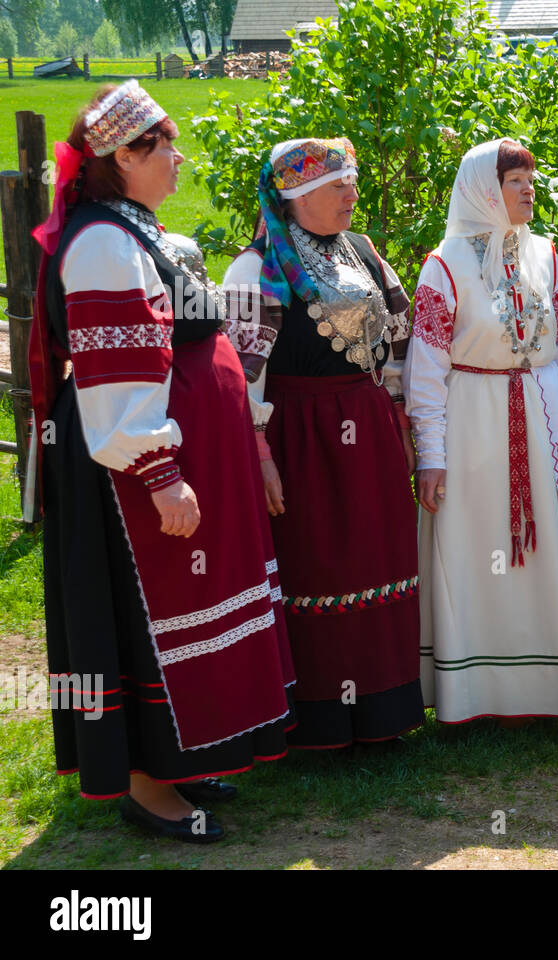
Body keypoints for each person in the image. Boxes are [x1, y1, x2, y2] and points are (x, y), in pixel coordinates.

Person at [27, 81, 295, 842]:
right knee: (138, 615)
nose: (179, 159)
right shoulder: (106, 245)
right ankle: (146, 785)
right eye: (165, 147)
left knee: (173, 612)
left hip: (161, 457)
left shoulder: (129, 228)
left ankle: (179, 757)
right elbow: (116, 378)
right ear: (126, 156)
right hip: (127, 475)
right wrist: (160, 474)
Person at [222, 138, 424, 747]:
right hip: (301, 436)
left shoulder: (363, 254)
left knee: (380, 556)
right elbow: (241, 373)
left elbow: (398, 336)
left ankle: (384, 714)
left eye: (352, 183)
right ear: (296, 196)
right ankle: (321, 720)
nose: (351, 195)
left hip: (370, 428)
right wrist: (258, 453)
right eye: (338, 186)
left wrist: (401, 418)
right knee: (318, 563)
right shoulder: (255, 268)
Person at [403, 138, 558, 725]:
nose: (528, 189)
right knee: (478, 547)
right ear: (483, 190)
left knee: (541, 547)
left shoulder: (544, 255)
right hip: (473, 428)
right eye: (514, 180)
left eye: (530, 179)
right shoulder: (444, 268)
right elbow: (427, 373)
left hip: (543, 418)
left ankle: (548, 685)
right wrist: (432, 457)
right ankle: (478, 692)